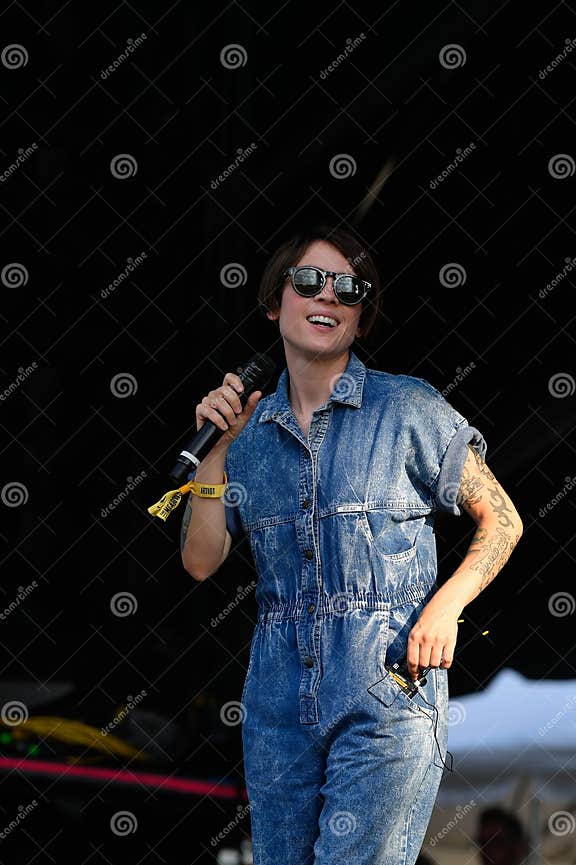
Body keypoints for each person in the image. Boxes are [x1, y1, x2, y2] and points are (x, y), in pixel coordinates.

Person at [180, 224, 524, 865]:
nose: (327, 297)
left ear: (361, 318)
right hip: (277, 701)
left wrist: (445, 607)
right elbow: (200, 562)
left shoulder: (408, 409)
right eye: (309, 281)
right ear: (273, 301)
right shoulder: (248, 436)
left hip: (387, 687)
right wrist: (215, 455)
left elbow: (503, 518)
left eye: (349, 289)